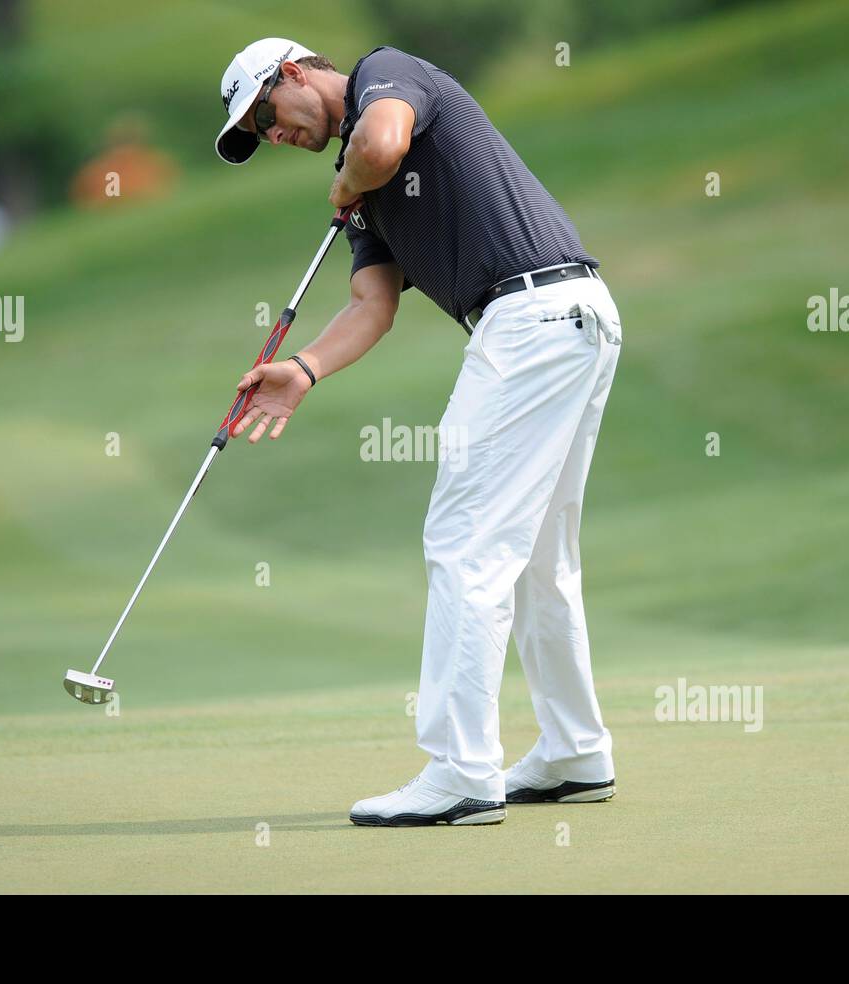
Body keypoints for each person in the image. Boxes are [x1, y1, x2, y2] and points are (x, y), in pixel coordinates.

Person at [213, 38, 623, 827]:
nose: (275, 135)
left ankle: (462, 772)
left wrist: (345, 182)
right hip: (565, 321)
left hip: (532, 319)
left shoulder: (385, 74)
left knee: (465, 542)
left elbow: (380, 144)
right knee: (538, 555)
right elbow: (372, 306)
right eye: (260, 135)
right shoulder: (365, 199)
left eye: (265, 115)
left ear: (293, 73)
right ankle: (575, 752)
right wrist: (303, 369)